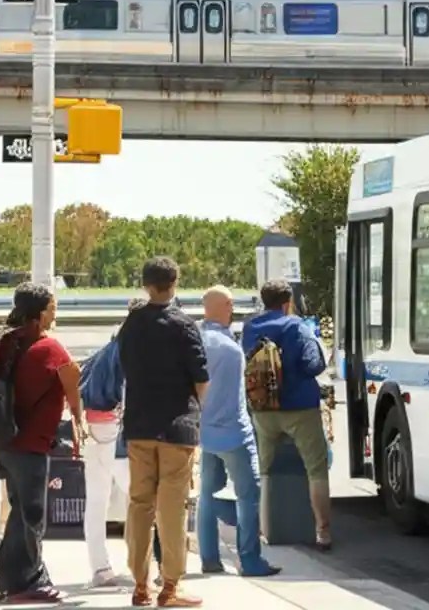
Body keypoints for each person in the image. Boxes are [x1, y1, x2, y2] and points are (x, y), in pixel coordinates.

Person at [117, 257, 209, 607]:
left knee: (139, 504)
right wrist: (195, 412)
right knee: (172, 507)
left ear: (145, 284)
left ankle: (140, 584)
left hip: (139, 425)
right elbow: (201, 379)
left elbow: (124, 367)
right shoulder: (183, 325)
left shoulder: (131, 325)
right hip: (177, 426)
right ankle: (170, 585)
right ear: (176, 281)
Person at [0, 282, 85, 604]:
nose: (54, 315)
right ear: (40, 312)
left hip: (3, 441)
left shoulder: (6, 341)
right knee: (32, 515)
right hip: (31, 444)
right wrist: (79, 420)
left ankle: (9, 580)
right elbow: (72, 382)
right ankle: (28, 582)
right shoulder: (50, 347)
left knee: (20, 512)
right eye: (52, 309)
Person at [240, 279, 332, 551]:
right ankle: (322, 531)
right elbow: (312, 365)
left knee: (264, 470)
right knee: (315, 468)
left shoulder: (250, 328)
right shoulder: (295, 326)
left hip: (264, 409)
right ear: (287, 302)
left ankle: (261, 527)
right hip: (299, 408)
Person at [197, 286, 280, 577]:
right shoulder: (231, 350)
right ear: (228, 306)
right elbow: (235, 399)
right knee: (248, 495)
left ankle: (209, 557)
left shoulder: (196, 339)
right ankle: (250, 560)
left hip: (204, 432)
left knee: (206, 494)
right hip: (233, 432)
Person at [83, 297, 146, 587]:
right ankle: (141, 566)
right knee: (140, 497)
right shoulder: (131, 349)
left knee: (97, 500)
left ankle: (100, 568)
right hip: (115, 428)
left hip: (93, 426)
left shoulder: (107, 348)